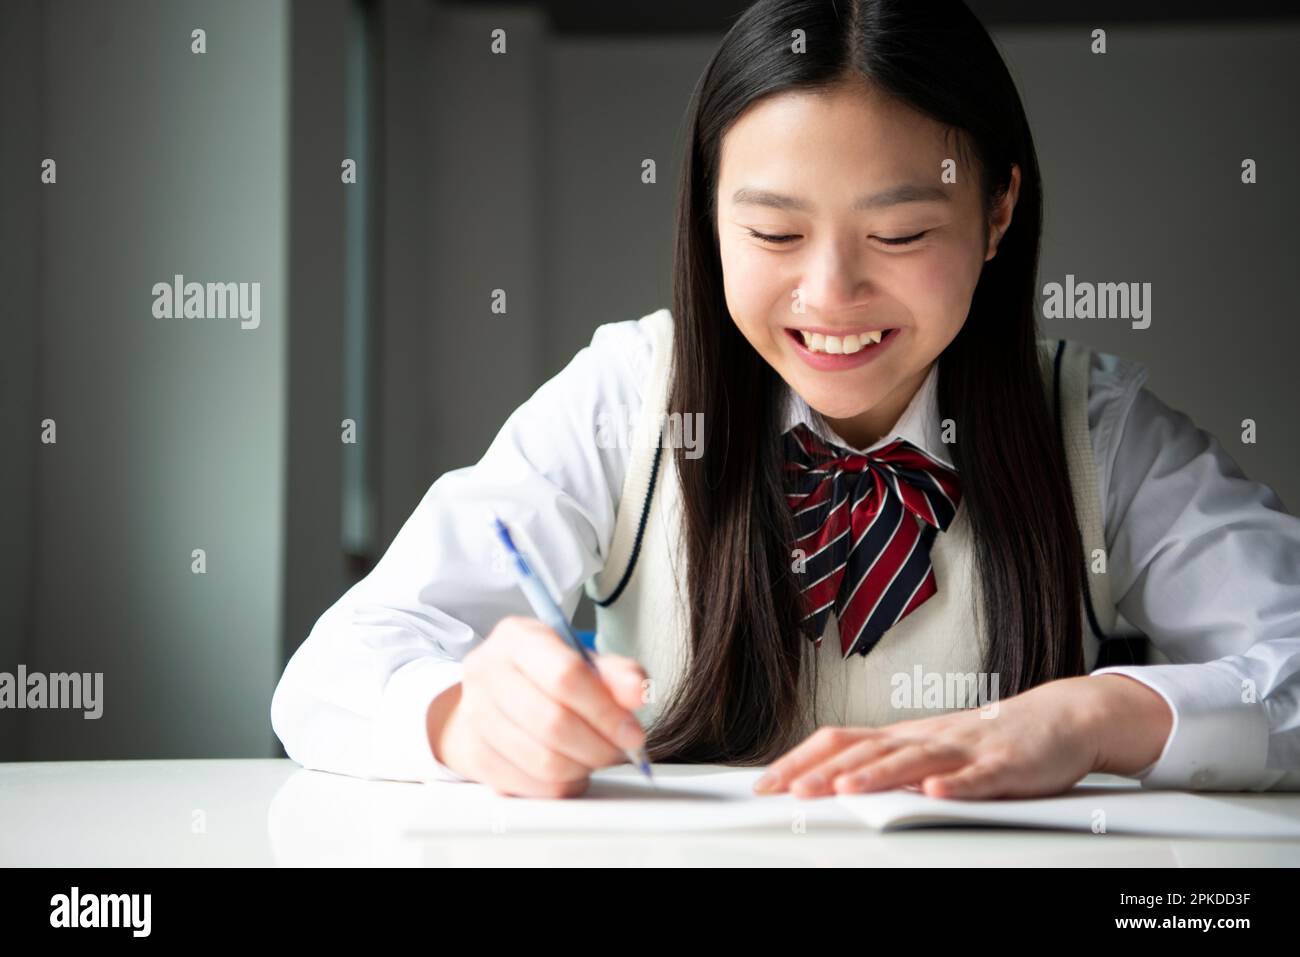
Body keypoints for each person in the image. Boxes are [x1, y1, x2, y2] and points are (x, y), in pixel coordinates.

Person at [271, 0, 1300, 799]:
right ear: (707, 218)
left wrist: (1094, 717)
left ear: (997, 213)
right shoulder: (628, 398)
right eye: (771, 234)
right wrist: (459, 715)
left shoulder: (1095, 430)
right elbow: (329, 674)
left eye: (898, 235)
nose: (830, 297)